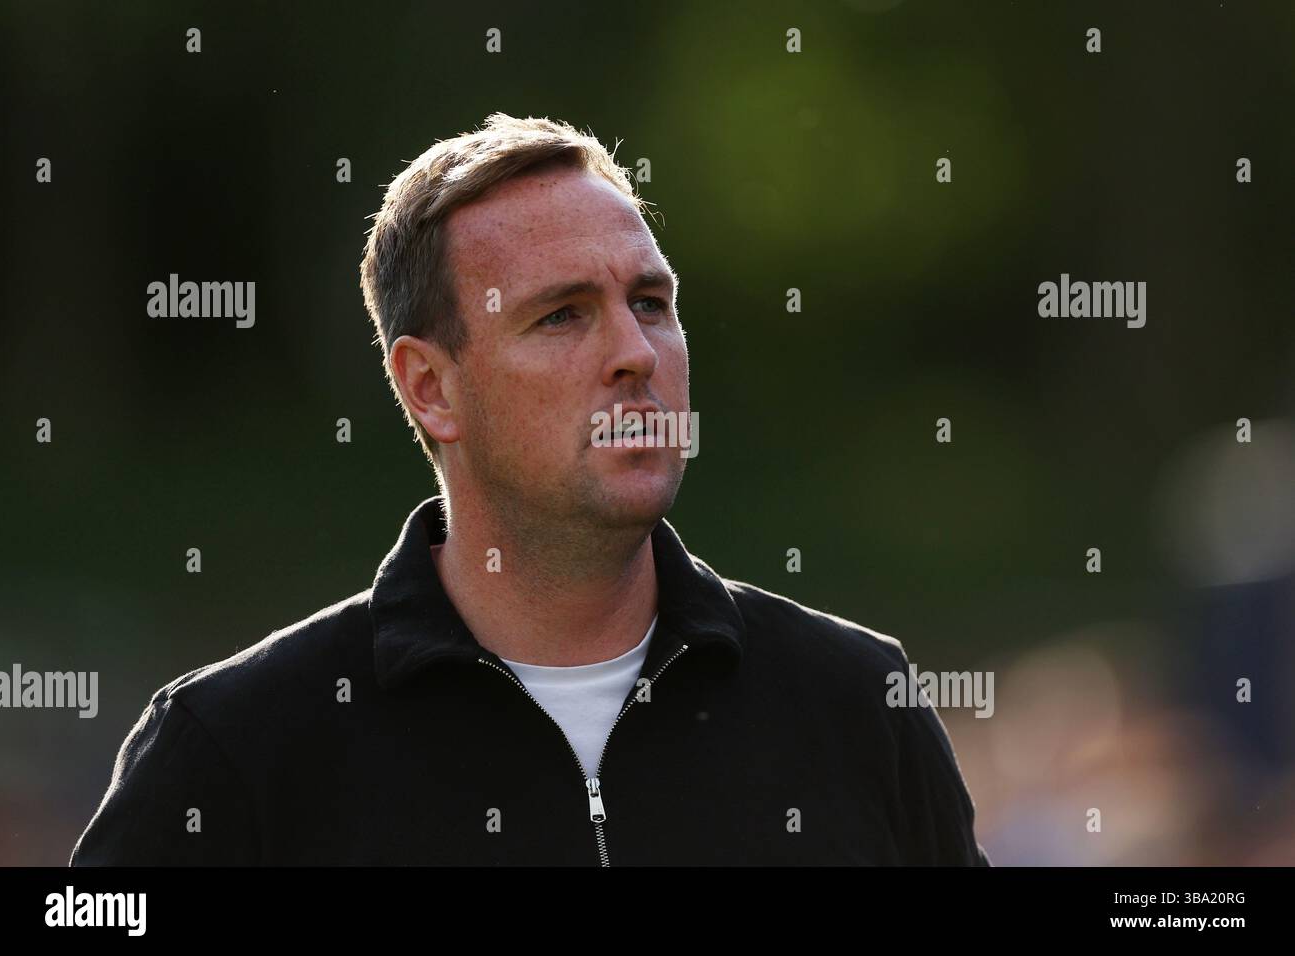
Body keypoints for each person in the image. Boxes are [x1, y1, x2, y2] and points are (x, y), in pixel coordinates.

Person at [71, 113, 989, 866]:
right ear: (430, 389)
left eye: (651, 303)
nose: (636, 354)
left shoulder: (859, 706)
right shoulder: (235, 752)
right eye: (562, 316)